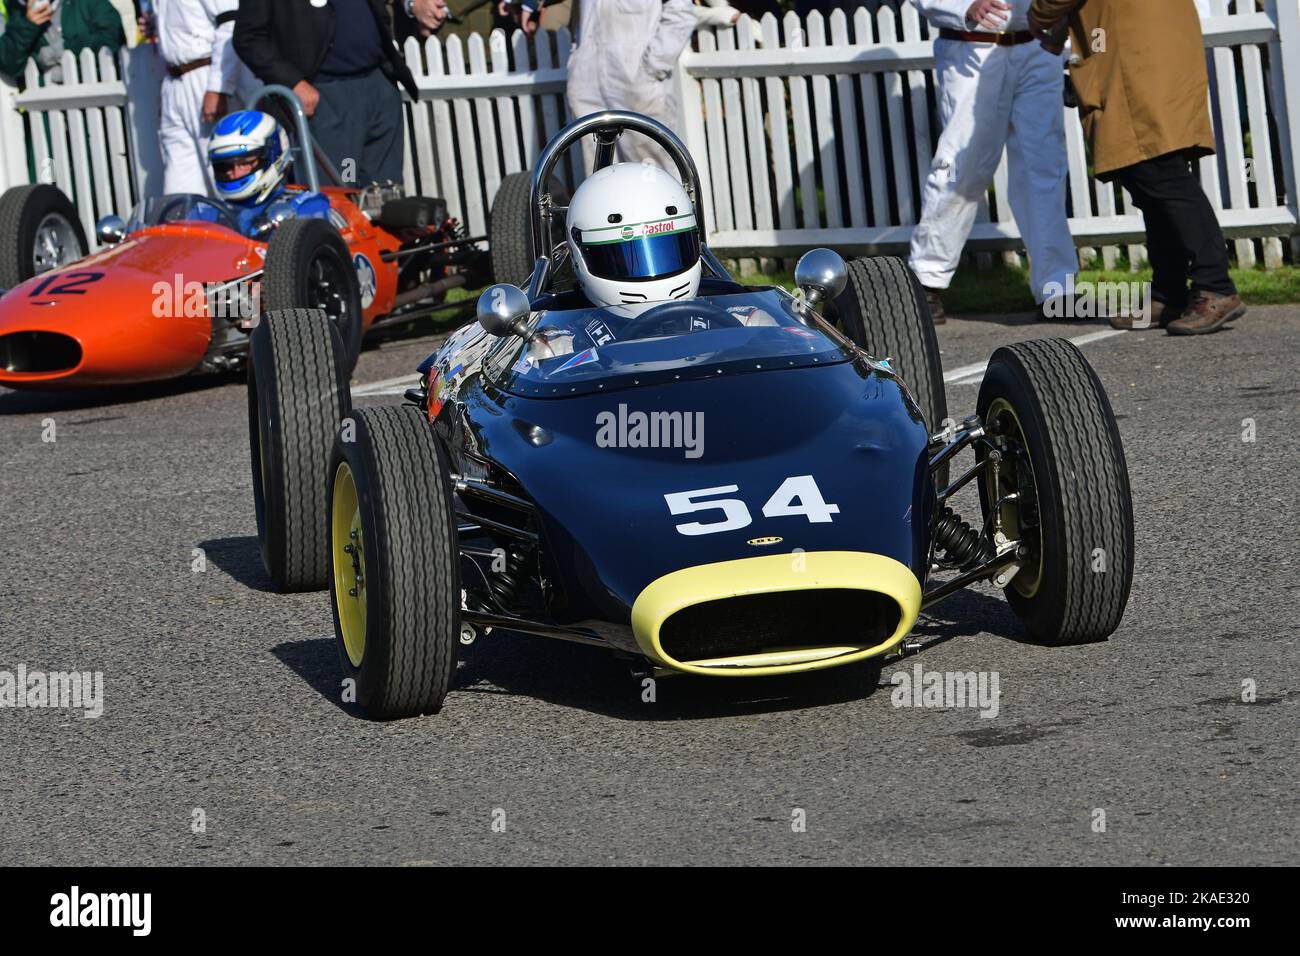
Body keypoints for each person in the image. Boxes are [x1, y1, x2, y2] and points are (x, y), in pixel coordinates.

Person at [1030, 0, 1244, 335]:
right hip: (1147, 42)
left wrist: (1040, 15)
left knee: (1160, 172)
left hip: (1132, 51)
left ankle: (1214, 285)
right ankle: (1168, 292)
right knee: (1147, 176)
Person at [906, 0, 1078, 325]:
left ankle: (1057, 290)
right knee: (962, 167)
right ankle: (925, 280)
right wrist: (963, 6)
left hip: (1039, 47)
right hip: (970, 48)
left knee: (1044, 170)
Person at [232, 0, 448, 188]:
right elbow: (249, 38)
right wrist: (293, 83)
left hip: (378, 86)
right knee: (344, 191)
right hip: (327, 100)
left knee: (386, 193)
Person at [514, 0, 696, 172]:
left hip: (637, 77)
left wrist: (654, 65)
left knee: (652, 168)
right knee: (599, 174)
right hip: (589, 79)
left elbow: (681, 13)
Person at [144, 0, 252, 197]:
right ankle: (187, 225)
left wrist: (219, 87)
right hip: (175, 81)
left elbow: (231, 22)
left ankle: (241, 227)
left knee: (226, 174)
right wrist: (158, 25)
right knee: (179, 188)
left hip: (207, 74)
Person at [206, 108, 330, 236]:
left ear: (272, 157)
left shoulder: (304, 207)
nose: (235, 173)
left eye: (245, 163)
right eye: (224, 167)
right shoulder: (209, 213)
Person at [0, 0, 125, 84]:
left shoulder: (88, 3)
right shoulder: (16, 11)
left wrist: (60, 50)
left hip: (102, 102)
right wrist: (27, 25)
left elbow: (112, 43)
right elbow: (9, 64)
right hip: (49, 112)